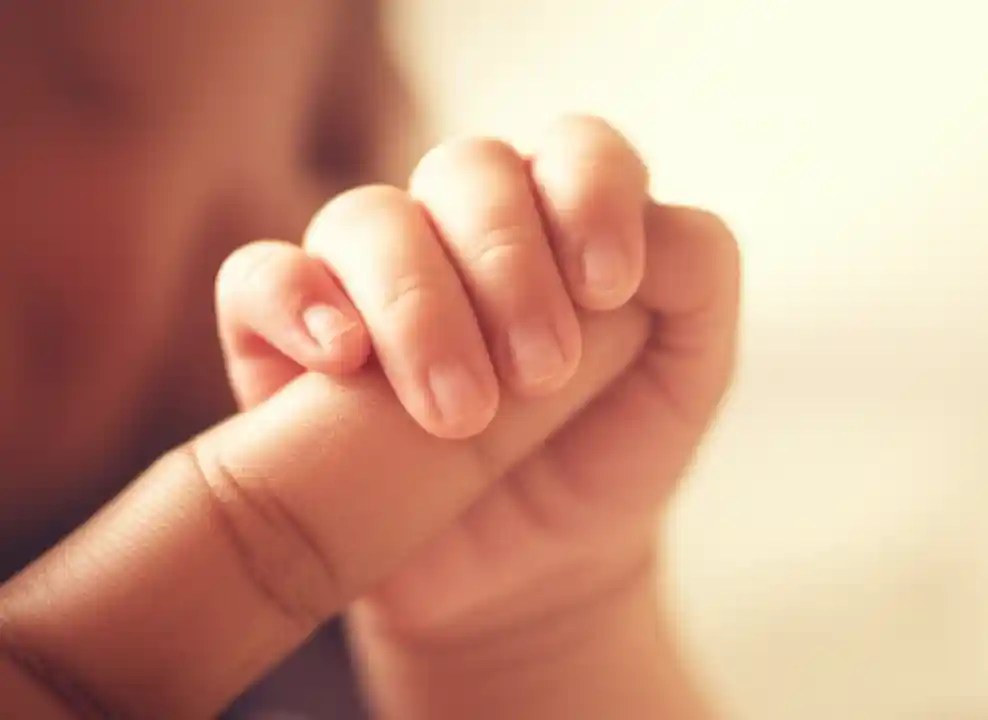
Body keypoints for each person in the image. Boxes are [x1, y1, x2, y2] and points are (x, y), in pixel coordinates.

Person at [0, 2, 739, 718]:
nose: (284, 225)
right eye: (92, 102)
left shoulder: (332, 654)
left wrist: (527, 634)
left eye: (335, 144)